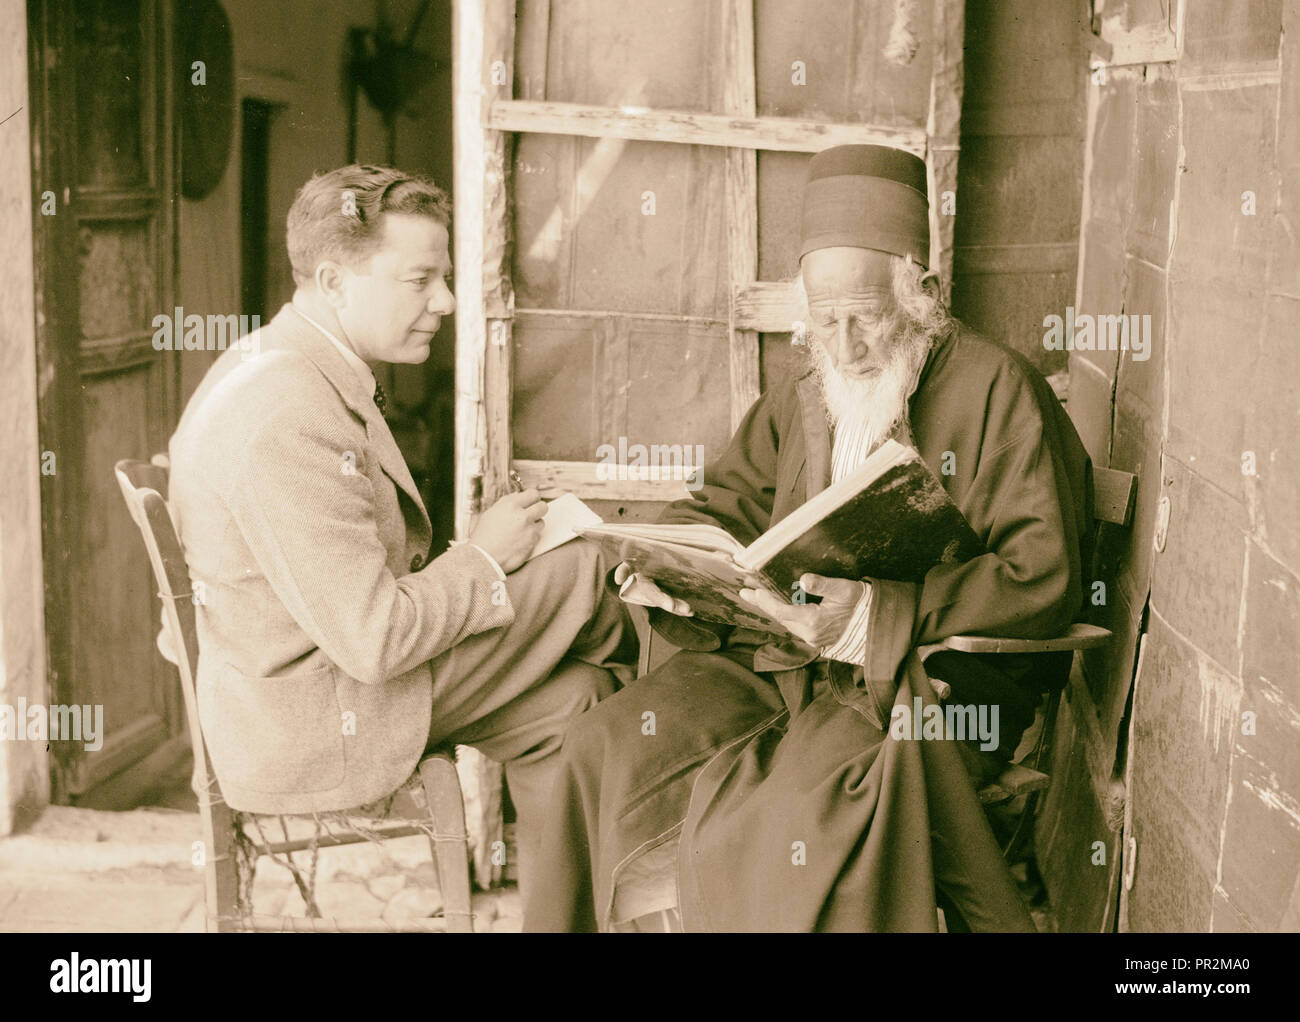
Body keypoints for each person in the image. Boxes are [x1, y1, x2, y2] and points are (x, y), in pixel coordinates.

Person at [524, 144, 1093, 932]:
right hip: (782, 666)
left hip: (917, 685)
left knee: (786, 828)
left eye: (867, 316)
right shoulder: (809, 386)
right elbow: (728, 505)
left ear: (924, 295)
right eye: (825, 319)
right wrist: (672, 566)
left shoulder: (999, 390)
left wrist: (872, 617)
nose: (846, 345)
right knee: (600, 747)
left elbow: (1041, 574)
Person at [168, 164, 637, 904]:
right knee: (581, 567)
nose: (445, 301)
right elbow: (376, 639)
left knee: (577, 703)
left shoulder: (281, 362)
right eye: (420, 280)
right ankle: (714, 689)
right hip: (320, 719)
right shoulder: (287, 415)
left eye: (442, 279)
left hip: (304, 686)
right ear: (334, 281)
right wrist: (482, 558)